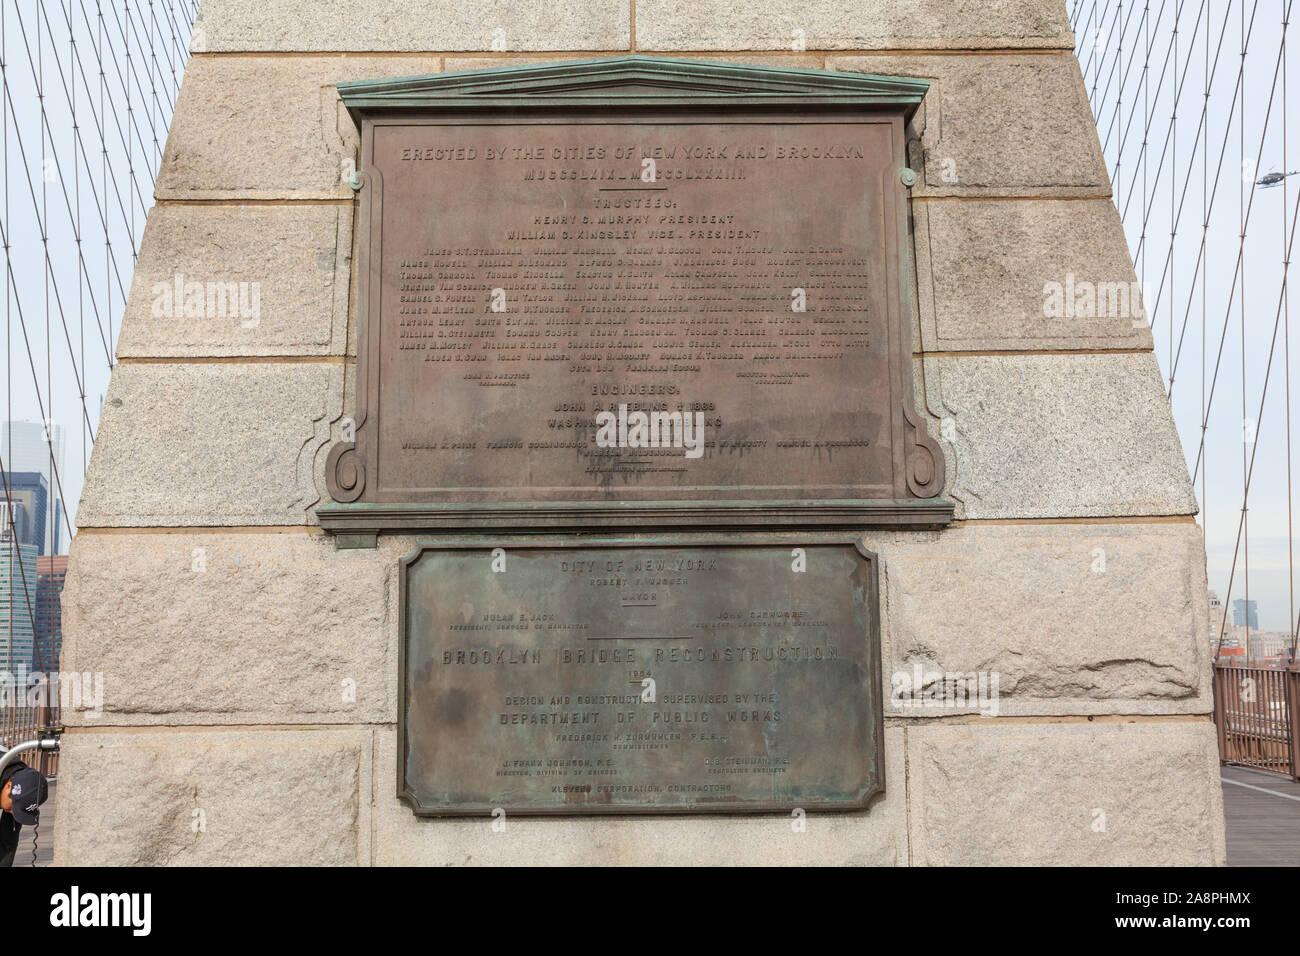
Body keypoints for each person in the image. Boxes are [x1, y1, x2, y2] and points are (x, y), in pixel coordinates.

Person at [0, 762, 50, 866]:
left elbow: (8, 840)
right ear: (8, 786)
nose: (13, 812)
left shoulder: (21, 780)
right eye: (13, 807)